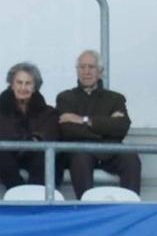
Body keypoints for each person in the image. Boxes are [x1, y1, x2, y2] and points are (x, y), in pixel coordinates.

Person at [55, 50, 141, 198]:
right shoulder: (65, 97)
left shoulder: (116, 98)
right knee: (80, 157)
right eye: (82, 67)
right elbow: (67, 130)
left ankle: (131, 208)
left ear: (100, 72)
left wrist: (84, 120)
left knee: (131, 158)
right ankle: (87, 210)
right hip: (79, 152)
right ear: (77, 71)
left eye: (91, 67)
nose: (86, 72)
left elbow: (121, 128)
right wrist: (106, 126)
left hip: (109, 151)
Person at [0, 62, 60, 191]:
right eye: (19, 82)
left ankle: (34, 196)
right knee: (1, 156)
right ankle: (18, 193)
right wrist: (24, 141)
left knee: (43, 157)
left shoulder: (47, 112)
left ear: (35, 87)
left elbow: (50, 134)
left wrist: (30, 141)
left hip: (34, 154)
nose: (23, 87)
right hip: (6, 154)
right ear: (11, 85)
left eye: (28, 83)